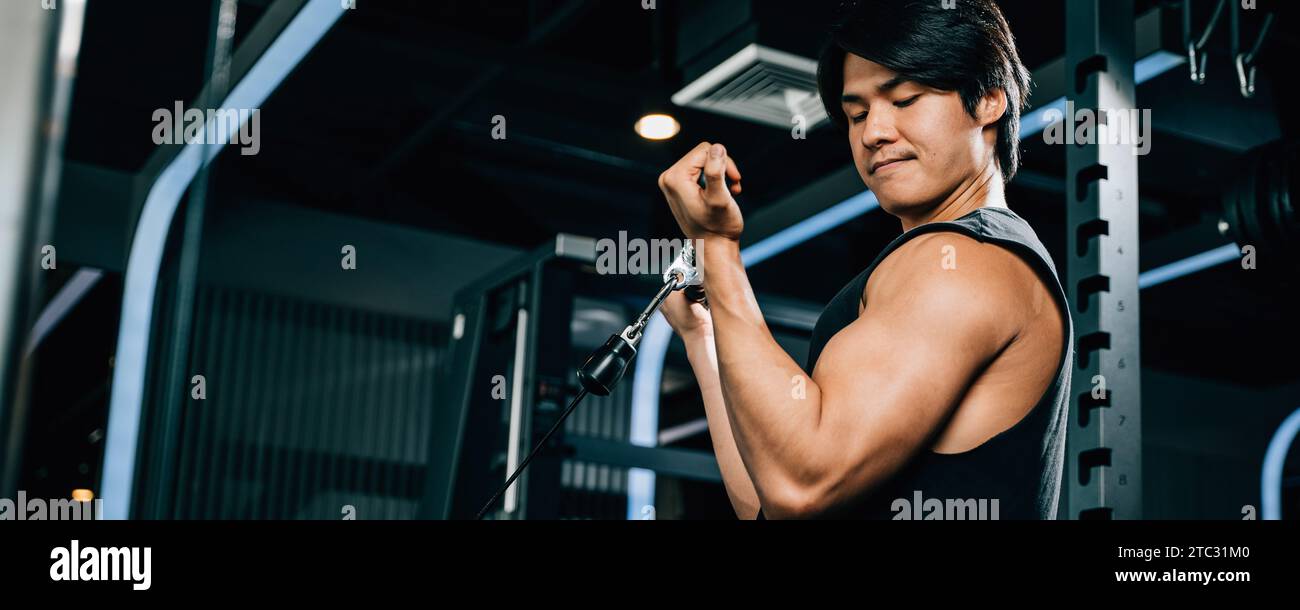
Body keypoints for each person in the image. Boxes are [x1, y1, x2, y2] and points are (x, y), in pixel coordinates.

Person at [656, 0, 1071, 519]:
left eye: (904, 99)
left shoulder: (966, 260)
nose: (873, 132)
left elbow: (801, 486)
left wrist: (717, 248)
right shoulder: (942, 261)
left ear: (988, 101)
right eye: (857, 114)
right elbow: (767, 497)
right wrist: (704, 335)